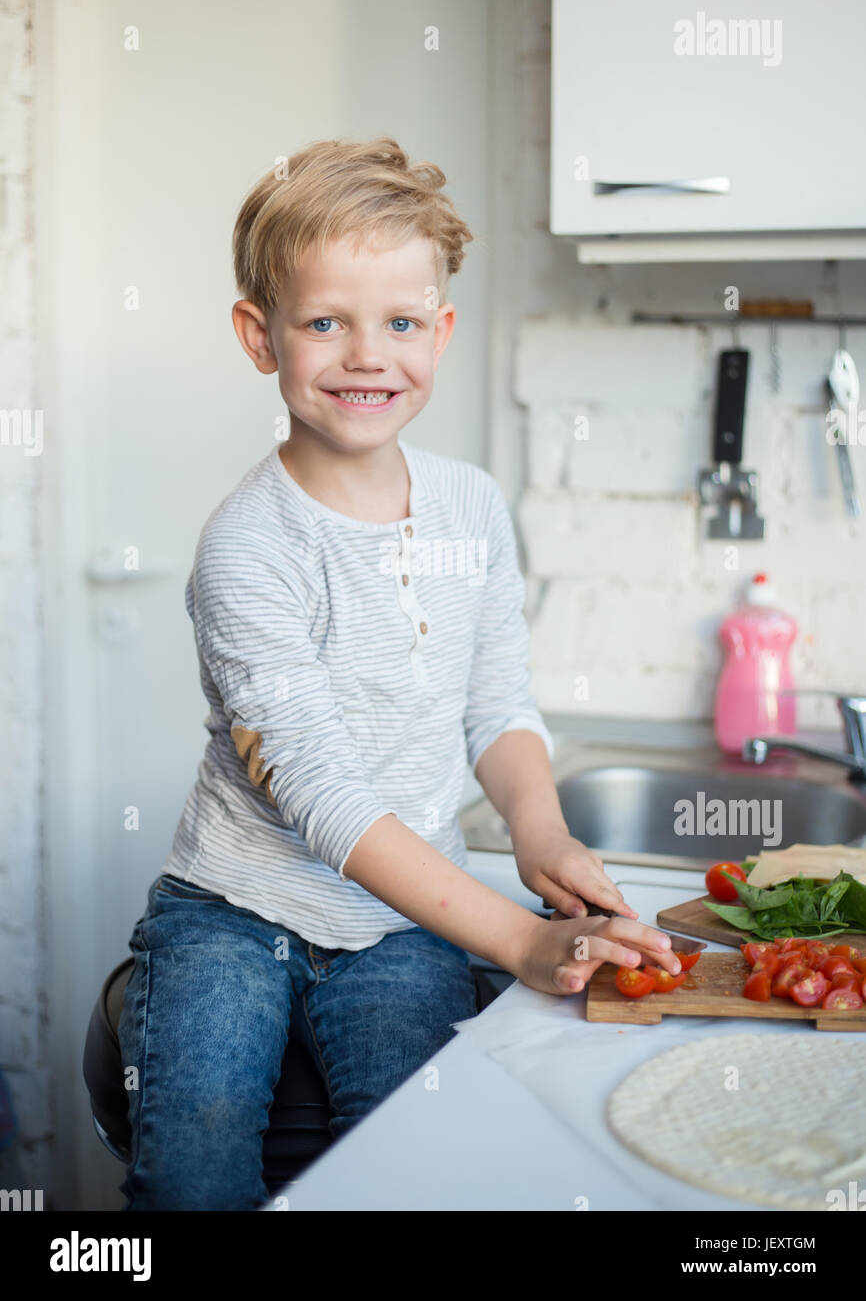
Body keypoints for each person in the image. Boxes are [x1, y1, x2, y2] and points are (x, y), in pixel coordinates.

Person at [117, 136, 681, 1210]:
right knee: (193, 1163)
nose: (367, 355)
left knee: (413, 1158)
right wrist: (517, 935)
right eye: (325, 321)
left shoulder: (469, 505)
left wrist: (539, 832)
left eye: (401, 323)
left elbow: (497, 702)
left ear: (441, 332)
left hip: (408, 921)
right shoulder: (249, 545)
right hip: (234, 906)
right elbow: (320, 794)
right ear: (258, 335)